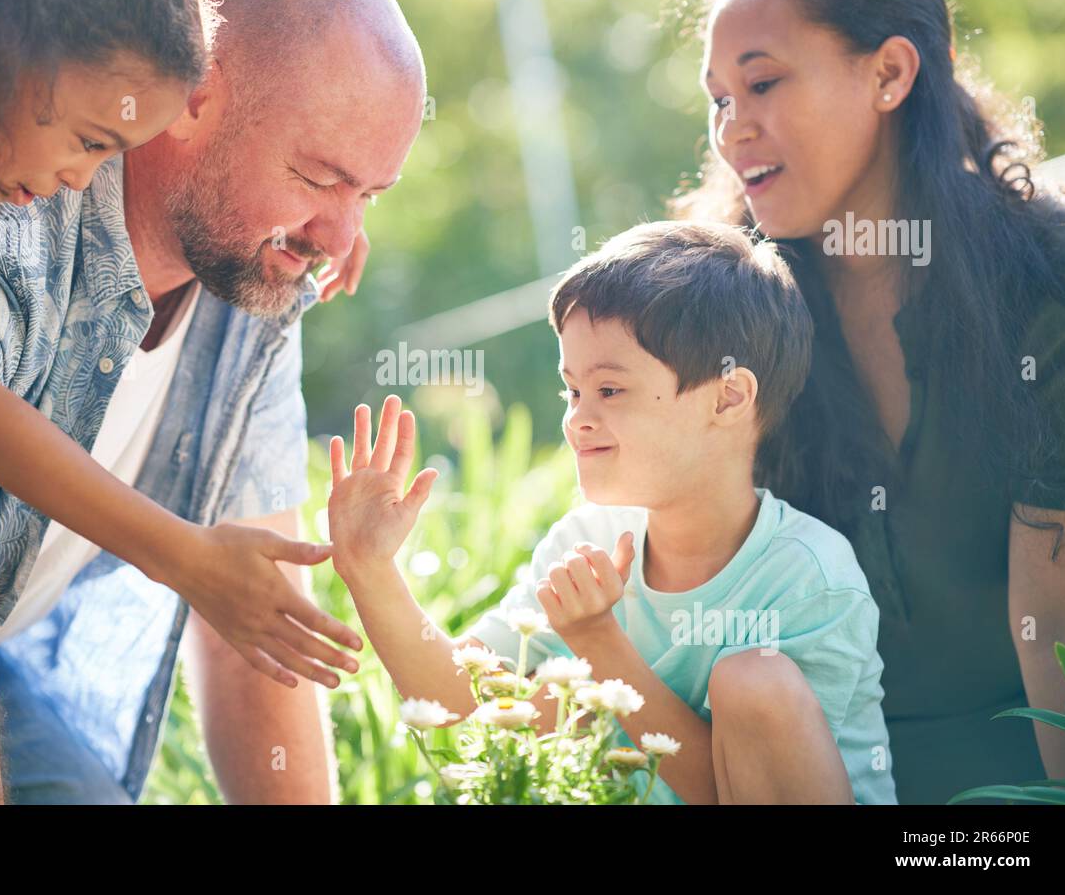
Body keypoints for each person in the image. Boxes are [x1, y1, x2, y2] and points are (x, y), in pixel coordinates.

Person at [0, 0, 425, 803]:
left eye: (368, 197)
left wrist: (313, 211)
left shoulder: (249, 270)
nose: (340, 244)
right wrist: (184, 554)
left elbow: (257, 641)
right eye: (318, 175)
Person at [668, 0, 1065, 802]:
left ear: (890, 73)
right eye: (717, 99)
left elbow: (1061, 650)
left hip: (1019, 782)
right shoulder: (722, 317)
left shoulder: (1051, 289)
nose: (731, 126)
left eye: (763, 82)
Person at [326, 221, 898, 804]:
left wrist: (598, 641)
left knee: (754, 683)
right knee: (550, 702)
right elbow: (459, 696)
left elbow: (721, 796)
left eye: (611, 390)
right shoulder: (586, 541)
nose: (576, 419)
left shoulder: (809, 579)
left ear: (727, 397)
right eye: (572, 391)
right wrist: (369, 566)